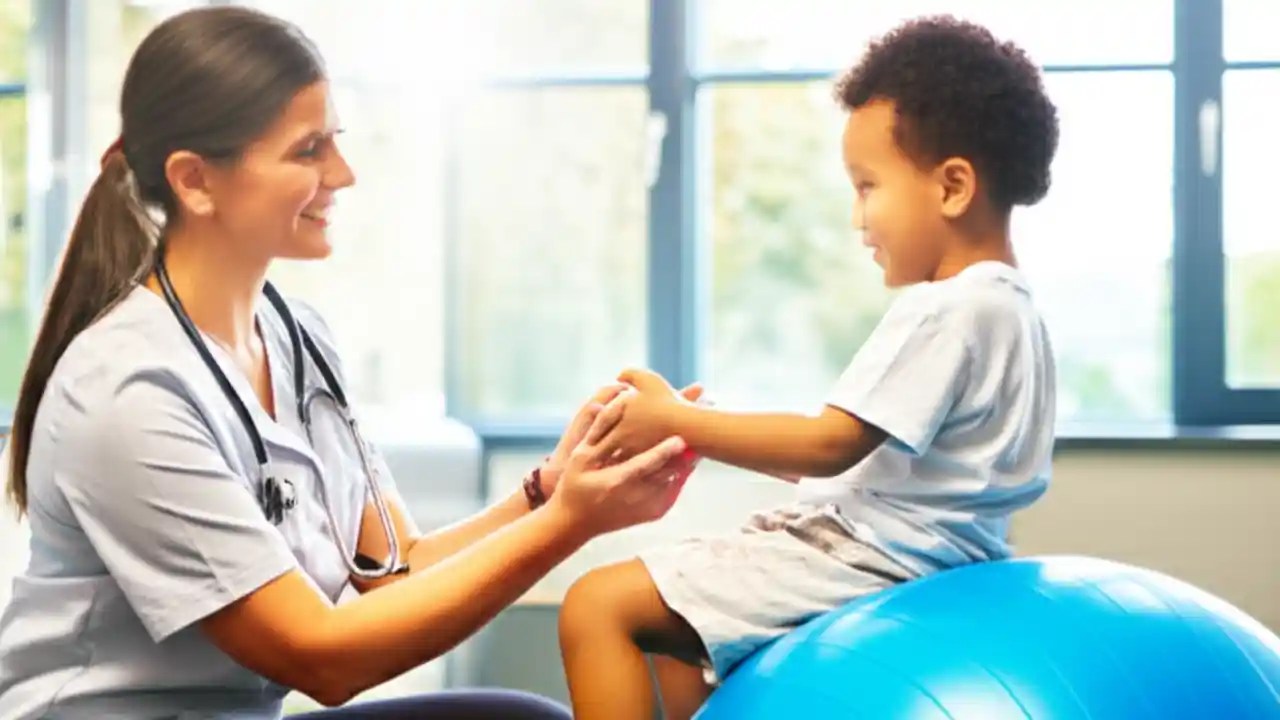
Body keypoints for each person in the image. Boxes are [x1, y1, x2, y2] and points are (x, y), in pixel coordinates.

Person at [0, 6, 702, 719]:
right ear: (195, 180)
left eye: (335, 141)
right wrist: (573, 523)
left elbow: (394, 573)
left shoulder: (297, 338)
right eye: (308, 151)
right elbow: (322, 659)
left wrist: (550, 491)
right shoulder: (126, 391)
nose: (345, 173)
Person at [557, 15, 1062, 720]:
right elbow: (858, 463)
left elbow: (827, 445)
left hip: (874, 559)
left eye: (867, 187)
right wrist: (693, 430)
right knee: (676, 640)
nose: (858, 220)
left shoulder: (949, 309)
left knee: (596, 606)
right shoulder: (1014, 311)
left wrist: (677, 418)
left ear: (951, 187)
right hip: (938, 559)